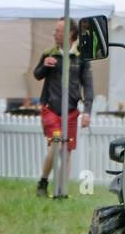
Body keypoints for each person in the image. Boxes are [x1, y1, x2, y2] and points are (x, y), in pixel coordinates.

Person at [32, 18, 93, 196]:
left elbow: (88, 86)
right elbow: (37, 75)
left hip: (72, 111)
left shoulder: (81, 57)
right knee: (57, 144)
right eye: (55, 30)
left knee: (66, 151)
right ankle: (43, 182)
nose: (54, 34)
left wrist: (87, 111)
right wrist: (44, 66)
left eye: (58, 31)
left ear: (70, 34)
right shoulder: (49, 53)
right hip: (50, 108)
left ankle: (61, 191)